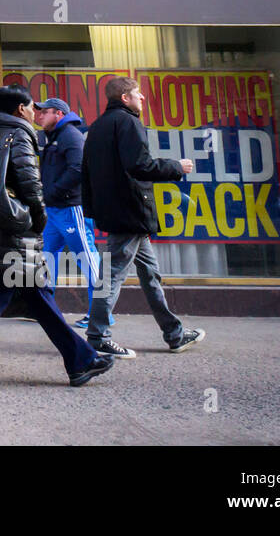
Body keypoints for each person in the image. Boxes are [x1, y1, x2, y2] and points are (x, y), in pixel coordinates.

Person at [0, 85, 114, 390]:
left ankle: (81, 360)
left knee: (39, 298)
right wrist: (40, 219)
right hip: (12, 237)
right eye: (29, 106)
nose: (32, 111)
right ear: (19, 109)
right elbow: (30, 186)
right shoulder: (19, 135)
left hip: (0, 232)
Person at [81, 76, 206, 358]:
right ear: (124, 98)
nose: (143, 98)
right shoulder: (128, 123)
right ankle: (98, 336)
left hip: (119, 213)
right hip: (130, 213)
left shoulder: (98, 127)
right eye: (138, 94)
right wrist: (176, 167)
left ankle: (174, 334)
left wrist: (93, 210)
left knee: (150, 275)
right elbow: (140, 165)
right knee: (111, 277)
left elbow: (85, 173)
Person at [33, 97, 108, 329]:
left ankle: (102, 314)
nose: (39, 116)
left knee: (89, 259)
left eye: (43, 112)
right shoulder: (55, 137)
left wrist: (53, 192)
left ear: (57, 113)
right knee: (45, 256)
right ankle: (44, 308)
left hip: (71, 208)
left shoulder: (70, 136)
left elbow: (77, 169)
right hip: (55, 209)